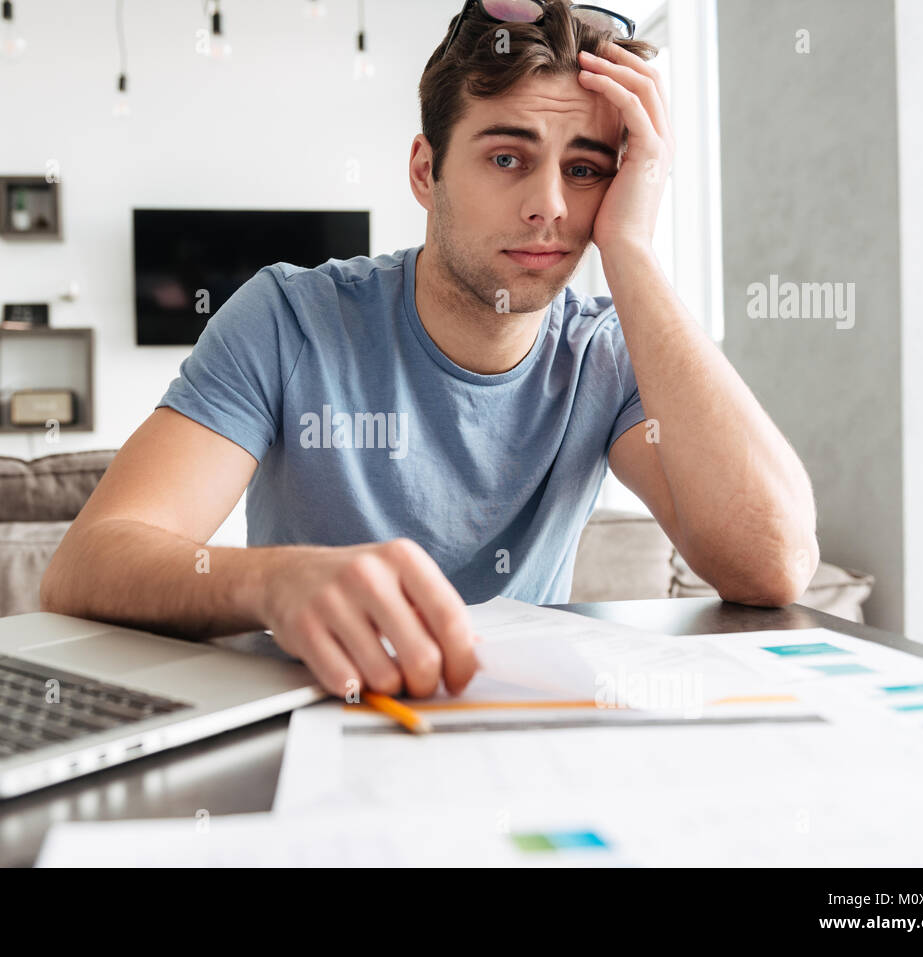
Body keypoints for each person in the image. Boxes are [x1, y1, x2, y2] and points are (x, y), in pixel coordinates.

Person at [41, 2, 819, 700]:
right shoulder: (288, 317)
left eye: (584, 170)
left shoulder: (606, 351)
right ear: (426, 170)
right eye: (508, 157)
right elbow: (87, 566)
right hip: (317, 715)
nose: (550, 203)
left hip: (516, 729)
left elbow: (773, 563)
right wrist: (277, 581)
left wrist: (633, 252)